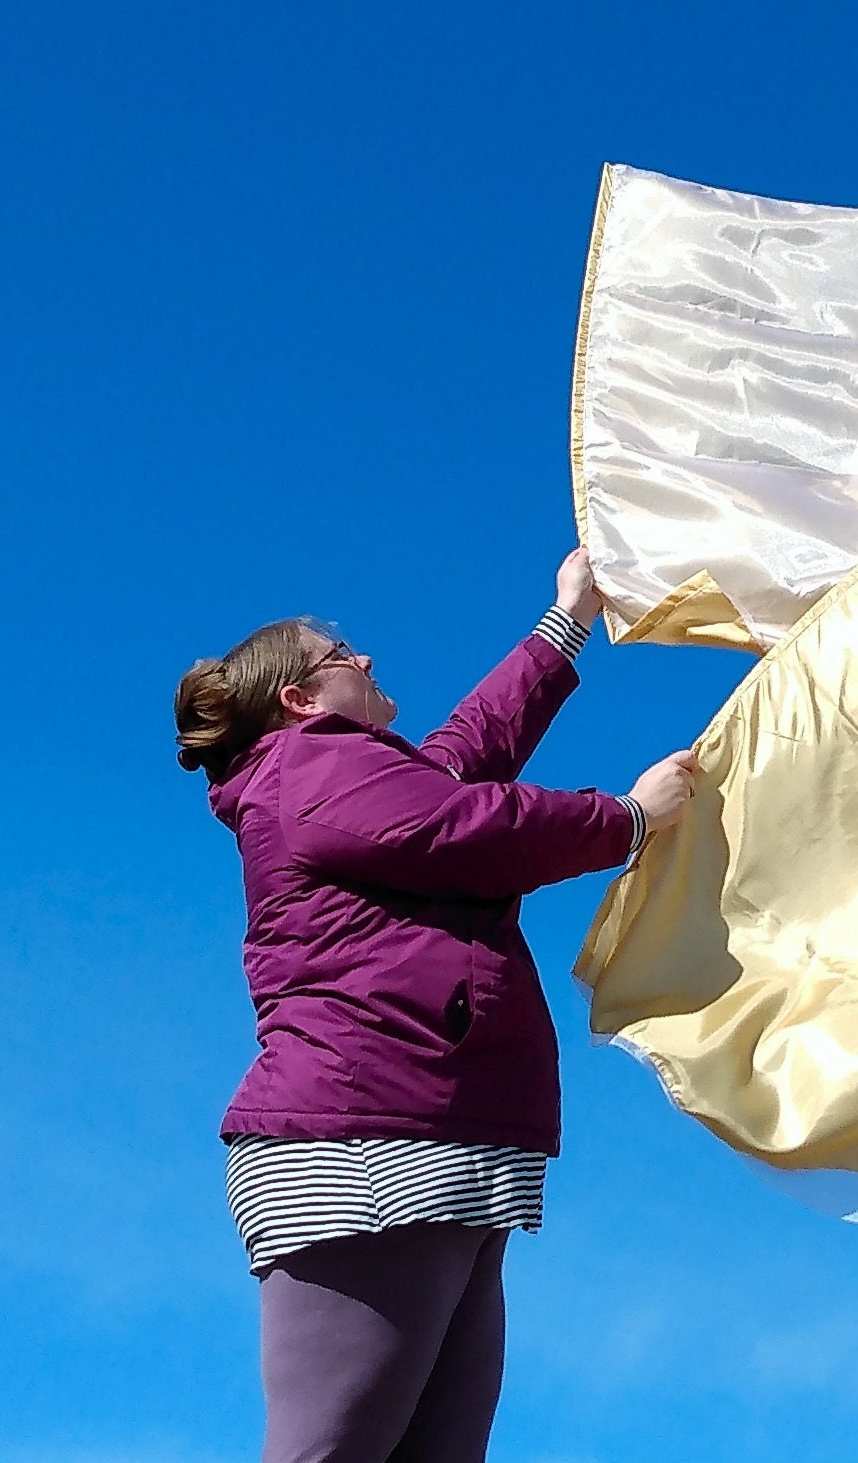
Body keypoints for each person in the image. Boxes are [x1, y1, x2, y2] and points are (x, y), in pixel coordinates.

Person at [173, 548, 695, 1463]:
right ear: (299, 698)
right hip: (363, 1155)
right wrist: (629, 818)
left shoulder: (351, 781)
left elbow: (462, 759)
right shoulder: (305, 770)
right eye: (340, 652)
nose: (366, 659)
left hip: (440, 1152)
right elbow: (466, 824)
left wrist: (566, 617)